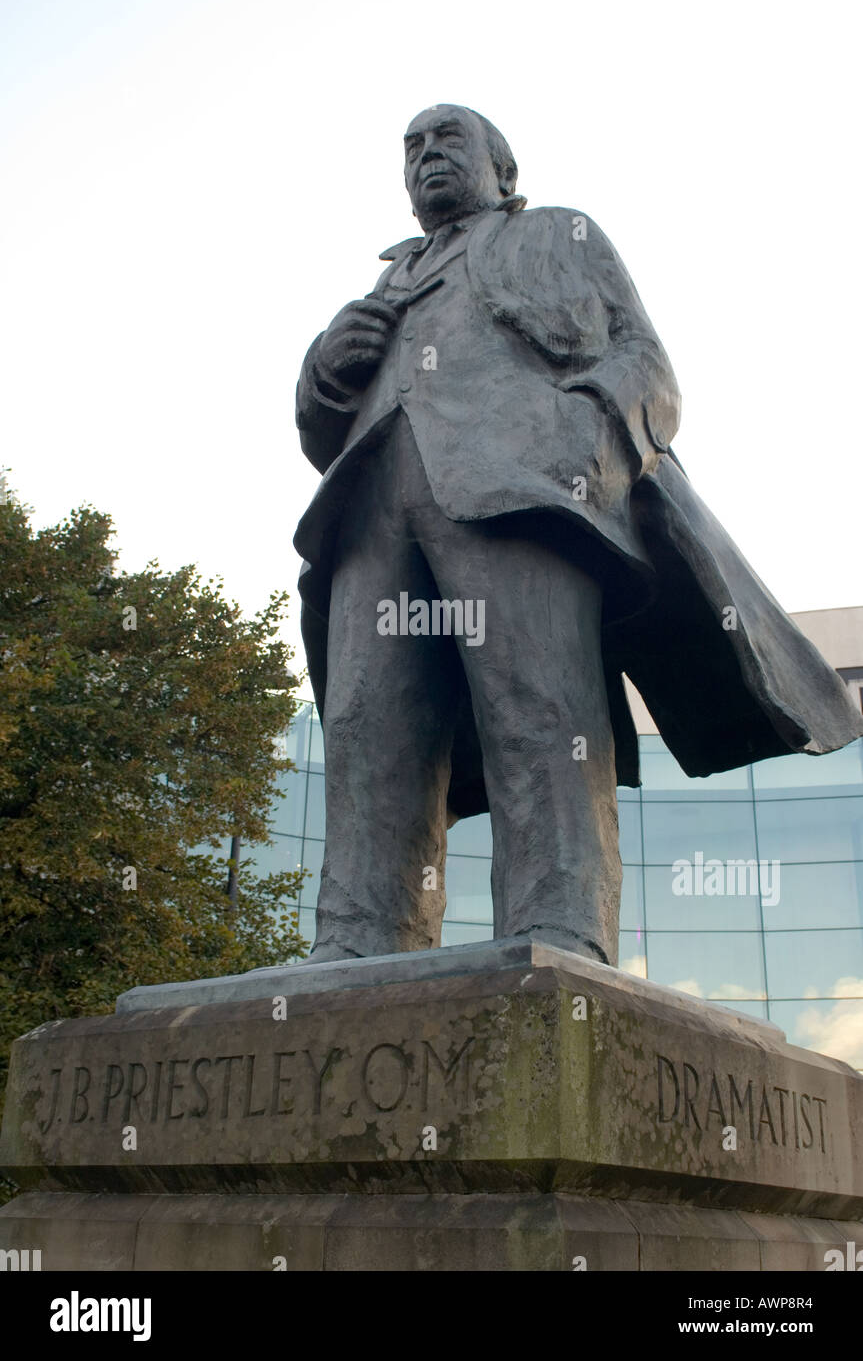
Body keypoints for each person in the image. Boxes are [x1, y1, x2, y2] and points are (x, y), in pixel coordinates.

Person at [294, 104, 862, 966]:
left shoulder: (558, 233)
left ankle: (555, 928)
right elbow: (320, 431)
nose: (426, 156)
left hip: (519, 495)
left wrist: (587, 444)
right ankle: (357, 941)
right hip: (372, 512)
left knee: (538, 708)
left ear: (504, 171)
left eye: (448, 139)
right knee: (368, 728)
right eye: (411, 147)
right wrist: (321, 371)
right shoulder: (385, 285)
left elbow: (645, 359)